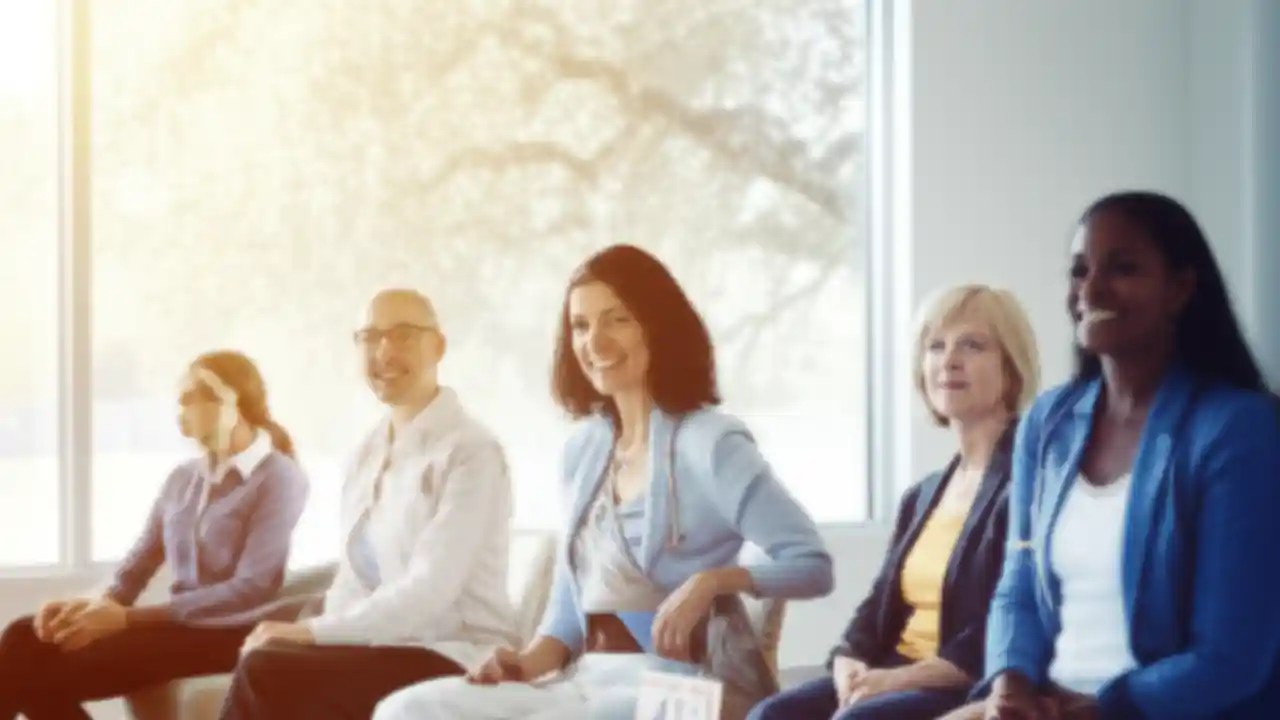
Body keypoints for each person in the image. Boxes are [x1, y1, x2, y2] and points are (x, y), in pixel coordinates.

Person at [372, 244, 834, 720]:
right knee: (407, 709)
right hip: (587, 680)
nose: (595, 341)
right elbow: (572, 601)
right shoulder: (584, 450)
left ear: (658, 326)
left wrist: (713, 581)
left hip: (680, 686)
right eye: (581, 325)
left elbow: (812, 564)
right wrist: (526, 662)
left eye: (618, 320)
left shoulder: (711, 444)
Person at [944, 191, 1280, 720]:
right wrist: (1009, 685)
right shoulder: (1047, 421)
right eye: (1079, 270)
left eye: (1122, 269)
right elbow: (1018, 583)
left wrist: (1104, 707)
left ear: (1180, 289)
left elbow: (1232, 658)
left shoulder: (1237, 428)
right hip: (1048, 703)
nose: (1091, 289)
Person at [219, 289, 517, 719]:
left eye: (403, 335)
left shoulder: (471, 452)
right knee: (267, 655)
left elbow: (429, 589)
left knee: (268, 669)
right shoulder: (367, 452)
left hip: (454, 651)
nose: (384, 351)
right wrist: (314, 635)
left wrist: (312, 633)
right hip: (385, 646)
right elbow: (352, 583)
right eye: (370, 337)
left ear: (439, 345)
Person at [747, 285, 1040, 720]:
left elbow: (998, 627)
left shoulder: (1028, 485)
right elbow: (877, 604)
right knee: (769, 716)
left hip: (960, 686)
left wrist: (895, 681)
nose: (949, 361)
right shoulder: (922, 495)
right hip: (891, 671)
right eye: (935, 346)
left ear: (1011, 369)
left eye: (972, 345)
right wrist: (848, 660)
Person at [0, 350, 309, 720]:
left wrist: (128, 620)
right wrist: (81, 608)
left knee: (32, 670)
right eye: (179, 399)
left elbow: (252, 588)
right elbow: (134, 570)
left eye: (190, 398)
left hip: (229, 633)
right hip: (178, 628)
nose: (180, 410)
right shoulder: (183, 479)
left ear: (229, 403)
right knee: (26, 635)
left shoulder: (279, 477)